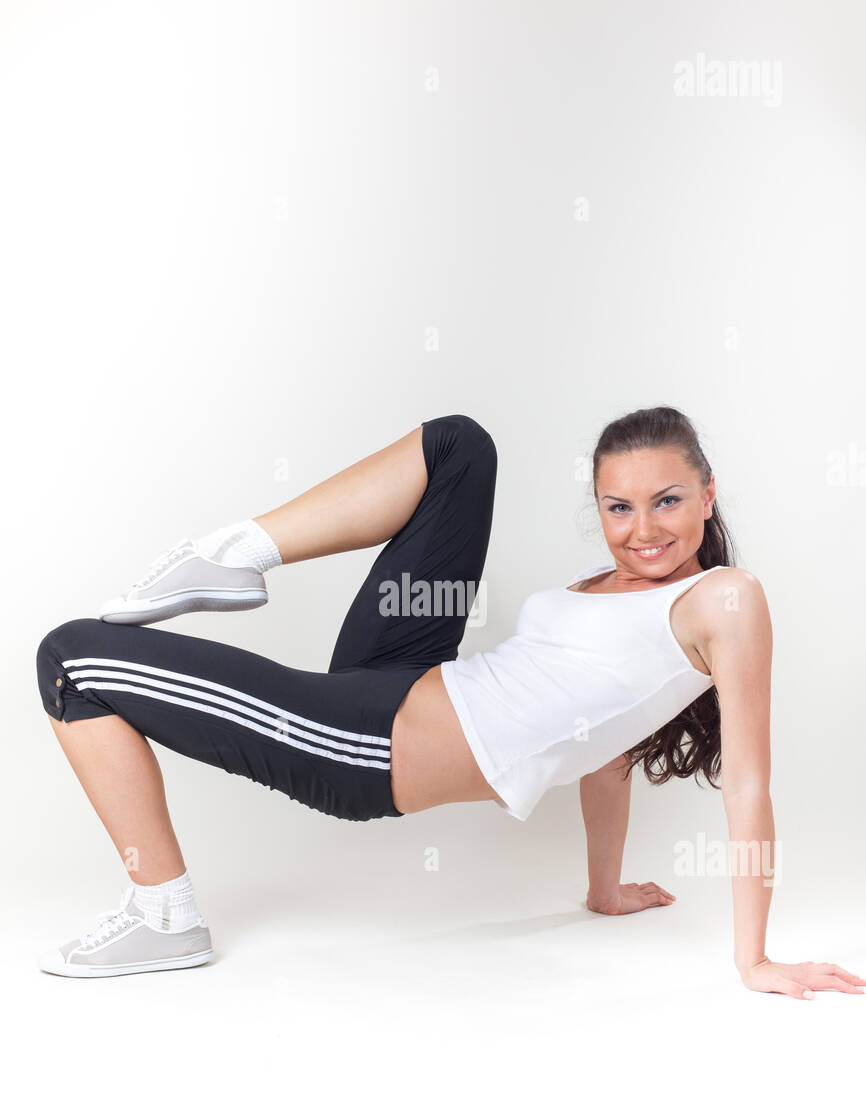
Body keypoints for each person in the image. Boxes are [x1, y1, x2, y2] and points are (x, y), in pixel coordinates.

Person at [35, 409, 863, 1000]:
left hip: (359, 748)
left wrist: (755, 959)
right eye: (619, 507)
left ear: (708, 496)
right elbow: (604, 744)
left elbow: (748, 785)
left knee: (70, 659)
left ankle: (164, 915)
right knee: (462, 447)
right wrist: (603, 890)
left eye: (668, 500)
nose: (642, 528)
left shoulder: (726, 600)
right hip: (397, 671)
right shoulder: (610, 590)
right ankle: (235, 553)